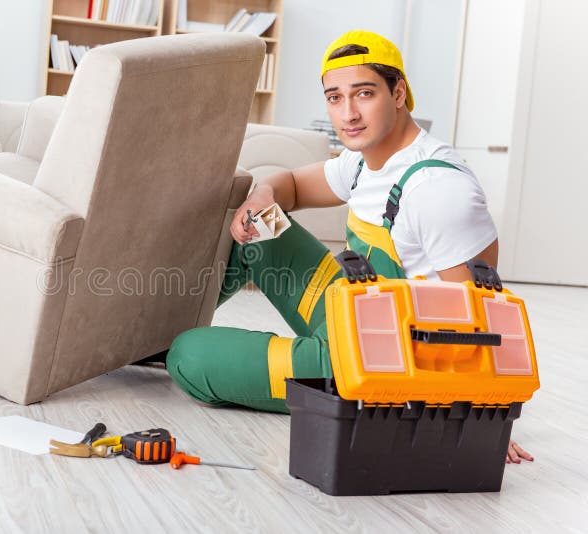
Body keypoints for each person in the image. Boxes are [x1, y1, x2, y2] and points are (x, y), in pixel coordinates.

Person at [166, 30, 532, 464]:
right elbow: (294, 185)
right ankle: (152, 334)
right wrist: (262, 196)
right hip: (351, 311)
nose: (349, 113)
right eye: (335, 98)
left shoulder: (437, 188)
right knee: (260, 227)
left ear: (399, 93)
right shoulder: (362, 160)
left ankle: (174, 346)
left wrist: (477, 420)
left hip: (379, 367)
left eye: (363, 94)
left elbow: (481, 319)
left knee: (187, 355)